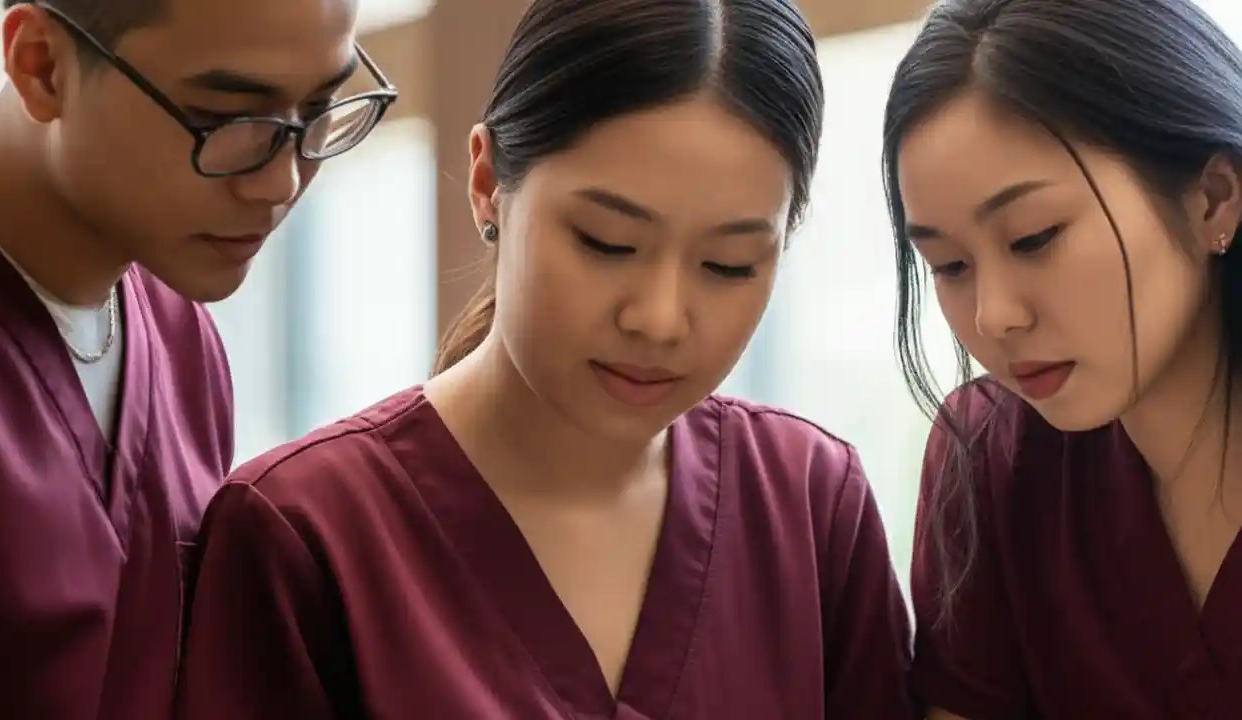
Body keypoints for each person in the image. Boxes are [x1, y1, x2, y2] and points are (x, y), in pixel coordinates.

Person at [178, 0, 915, 718]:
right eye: (606, 242)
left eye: (728, 265)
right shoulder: (305, 533)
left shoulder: (809, 503)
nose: (659, 320)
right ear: (487, 184)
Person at [0, 0, 396, 717]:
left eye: (321, 107)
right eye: (226, 119)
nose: (279, 183)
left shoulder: (178, 336)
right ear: (41, 65)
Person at [883, 0, 1242, 717]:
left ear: (1213, 198)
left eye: (1034, 237)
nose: (993, 316)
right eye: (949, 265)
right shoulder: (988, 458)